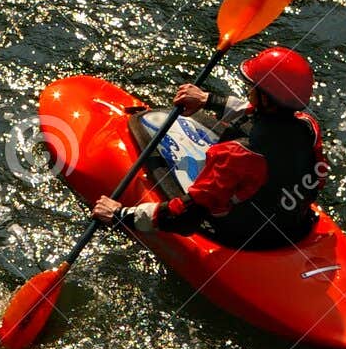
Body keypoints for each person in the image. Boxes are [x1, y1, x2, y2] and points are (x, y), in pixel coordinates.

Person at [91, 46, 326, 250]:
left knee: (192, 197)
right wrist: (207, 99)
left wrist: (121, 215)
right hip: (294, 225)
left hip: (240, 237)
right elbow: (258, 117)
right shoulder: (309, 128)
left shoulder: (236, 154)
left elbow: (185, 218)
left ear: (265, 99)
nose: (248, 90)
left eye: (252, 87)